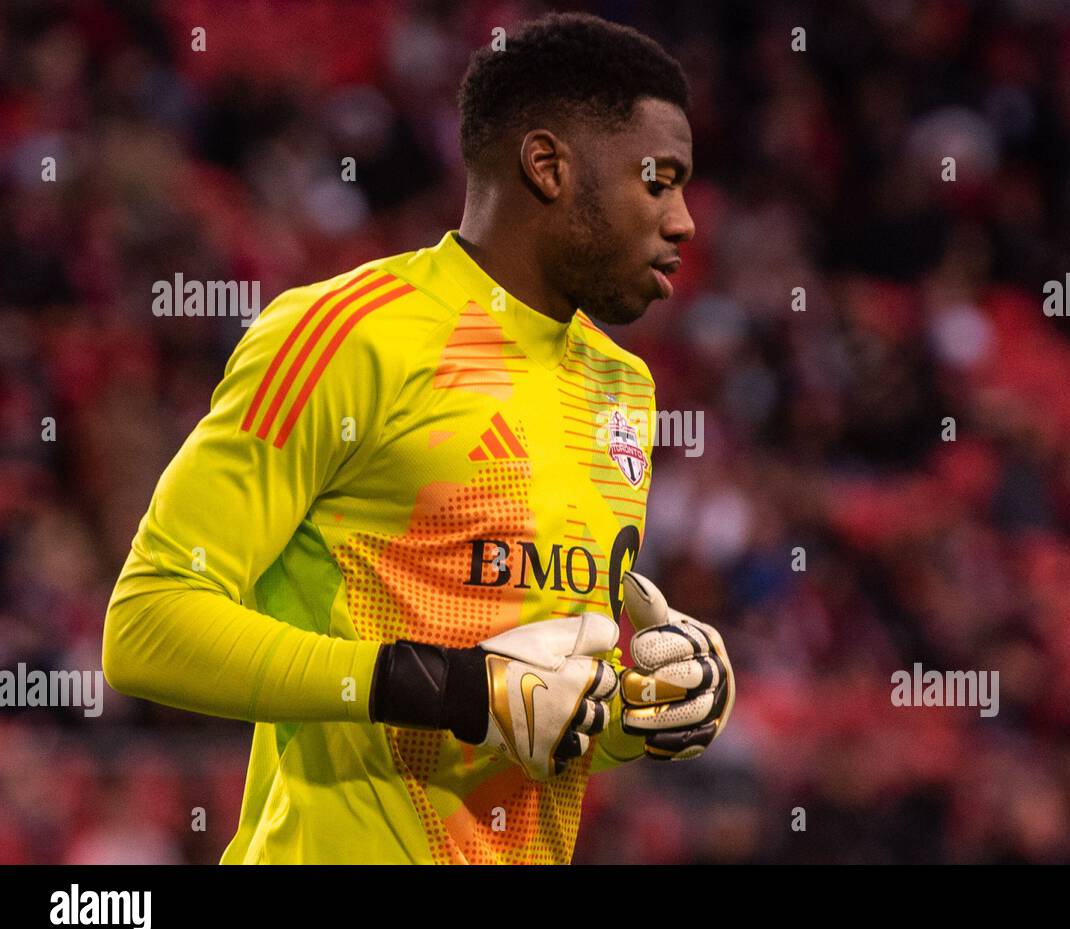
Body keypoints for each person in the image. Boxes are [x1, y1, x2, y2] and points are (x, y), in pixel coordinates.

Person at [101, 12, 733, 865]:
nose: (685, 220)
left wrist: (646, 712)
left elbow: (530, 707)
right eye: (659, 182)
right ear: (548, 166)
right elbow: (147, 626)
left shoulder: (624, 386)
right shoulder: (348, 335)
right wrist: (442, 686)